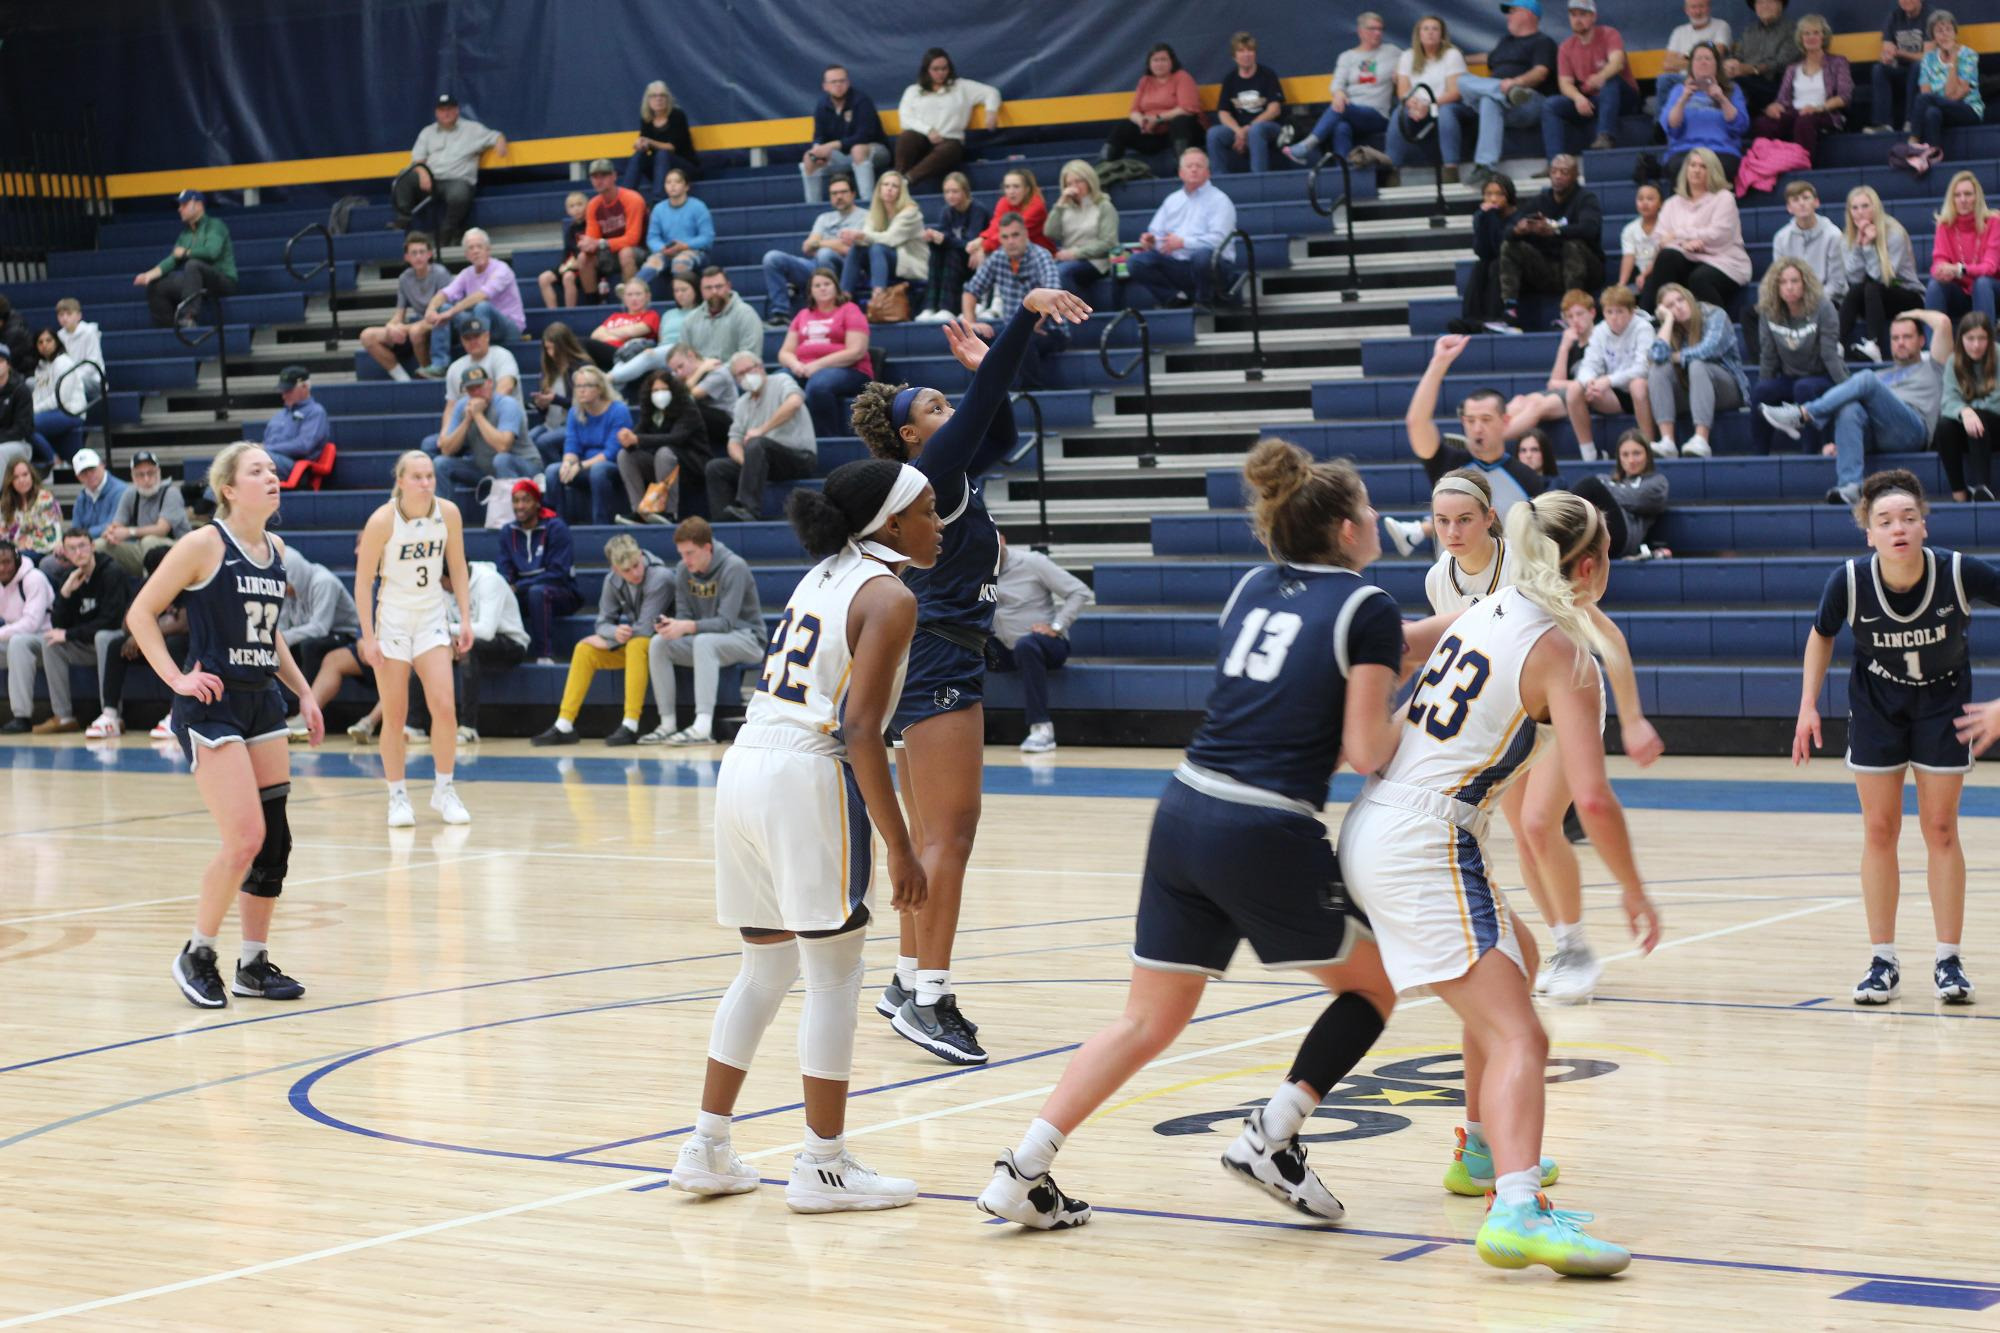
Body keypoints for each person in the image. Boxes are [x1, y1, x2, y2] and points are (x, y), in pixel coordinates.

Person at [979, 438, 1446, 1234]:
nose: (1378, 517)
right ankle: (1271, 1135)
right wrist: (1422, 710)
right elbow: (1367, 747)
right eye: (1367, 508)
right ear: (1344, 529)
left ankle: (1022, 1168)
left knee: (1147, 1019)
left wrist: (1479, 618)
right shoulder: (1365, 605)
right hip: (1261, 827)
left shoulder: (1253, 587)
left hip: (1184, 810)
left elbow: (1362, 662)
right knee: (1374, 985)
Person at [1344, 491, 1660, 1272]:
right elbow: (1593, 799)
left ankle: (1484, 1150)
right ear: (1590, 567)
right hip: (1426, 837)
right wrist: (1634, 889)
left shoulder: (1485, 609)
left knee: (1516, 960)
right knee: (1523, 1032)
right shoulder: (1566, 657)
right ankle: (1516, 1209)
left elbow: (1390, 642)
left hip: (1383, 817)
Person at [669, 459, 936, 1213]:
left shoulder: (821, 576)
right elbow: (861, 728)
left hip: (744, 765)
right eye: (927, 511)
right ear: (890, 524)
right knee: (835, 975)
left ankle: (707, 1146)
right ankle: (823, 1163)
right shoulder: (890, 595)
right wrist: (900, 844)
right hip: (806, 774)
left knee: (763, 970)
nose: (938, 525)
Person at [851, 284, 1093, 1065]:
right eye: (935, 405)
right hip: (939, 660)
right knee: (952, 835)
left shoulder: (945, 481)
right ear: (910, 435)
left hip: (927, 656)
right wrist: (1023, 317)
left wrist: (989, 367)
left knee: (931, 836)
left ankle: (904, 980)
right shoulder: (929, 475)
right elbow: (987, 404)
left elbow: (1004, 426)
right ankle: (931, 1000)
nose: (950, 408)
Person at [1420, 468, 1656, 1007]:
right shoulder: (1438, 580)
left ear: (1489, 519)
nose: (1453, 531)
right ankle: (1564, 945)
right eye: (1442, 521)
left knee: (1538, 823)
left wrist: (1634, 718)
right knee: (1525, 835)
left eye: (1464, 520)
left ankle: (1576, 950)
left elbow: (1607, 634)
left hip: (1563, 696)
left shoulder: (1524, 561)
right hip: (1508, 711)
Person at [120, 445, 319, 1005]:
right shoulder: (203, 545)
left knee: (273, 842)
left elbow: (268, 633)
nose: (272, 476)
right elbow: (140, 613)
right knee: (245, 837)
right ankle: (197, 952)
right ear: (229, 489)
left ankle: (253, 964)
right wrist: (176, 678)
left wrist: (304, 692)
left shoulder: (276, 549)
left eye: (273, 470)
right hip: (213, 704)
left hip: (262, 702)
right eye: (257, 471)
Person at [1795, 468, 1991, 1004]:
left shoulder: (1958, 571)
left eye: (1908, 517)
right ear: (1869, 534)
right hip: (1878, 704)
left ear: (1924, 525)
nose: (1898, 528)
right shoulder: (1849, 580)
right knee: (1880, 829)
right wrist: (1808, 704)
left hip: (1943, 702)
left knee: (1941, 828)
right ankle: (1882, 960)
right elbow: (1821, 634)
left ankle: (1948, 960)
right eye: (1885, 521)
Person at [352, 452, 474, 827]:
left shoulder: (448, 513)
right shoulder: (382, 520)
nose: (425, 483)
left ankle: (444, 790)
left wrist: (466, 619)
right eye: (417, 477)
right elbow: (363, 583)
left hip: (432, 616)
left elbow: (457, 567)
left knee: (445, 707)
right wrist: (368, 636)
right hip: (393, 620)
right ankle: (397, 796)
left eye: (430, 476)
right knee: (396, 714)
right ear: (401, 481)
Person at [1761, 309, 1954, 504]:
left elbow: (1943, 323)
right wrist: (1842, 442)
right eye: (1895, 338)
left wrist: (1911, 313)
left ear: (1921, 340)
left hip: (1913, 430)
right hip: (1878, 433)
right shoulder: (1881, 375)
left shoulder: (1935, 367)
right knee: (1849, 407)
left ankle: (1803, 413)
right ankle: (1850, 486)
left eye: (1907, 337)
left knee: (1865, 379)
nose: (1900, 342)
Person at [531, 533, 672, 746]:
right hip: (639, 646)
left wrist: (609, 640)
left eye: (636, 565)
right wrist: (613, 632)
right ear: (615, 569)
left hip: (667, 644)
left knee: (637, 644)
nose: (635, 573)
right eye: (627, 570)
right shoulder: (612, 580)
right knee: (584, 649)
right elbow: (602, 623)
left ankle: (631, 724)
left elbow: (645, 629)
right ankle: (564, 724)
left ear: (641, 555)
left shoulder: (661, 577)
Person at [640, 516, 765, 745]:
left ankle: (702, 727)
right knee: (658, 643)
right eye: (681, 554)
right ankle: (667, 724)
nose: (685, 560)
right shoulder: (683, 570)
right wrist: (672, 625)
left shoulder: (734, 566)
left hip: (748, 639)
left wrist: (687, 626)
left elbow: (726, 623)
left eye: (690, 553)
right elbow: (685, 617)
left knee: (704, 642)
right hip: (706, 639)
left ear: (707, 548)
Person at [1406, 335, 1558, 517]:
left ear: (1505, 421)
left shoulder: (1528, 478)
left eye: (1486, 419)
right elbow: (1417, 422)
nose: (1477, 428)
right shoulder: (1447, 464)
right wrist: (1439, 362)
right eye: (1471, 420)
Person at [5, 525, 129, 734]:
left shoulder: (112, 572)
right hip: (84, 643)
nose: (78, 552)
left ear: (92, 546)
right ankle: (63, 716)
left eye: (82, 546)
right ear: (65, 552)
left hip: (114, 642)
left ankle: (111, 715)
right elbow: (58, 625)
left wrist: (69, 634)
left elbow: (111, 621)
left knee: (103, 637)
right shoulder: (70, 577)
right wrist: (65, 593)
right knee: (51, 641)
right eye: (72, 548)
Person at [989, 534, 1092, 754]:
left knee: (1026, 646)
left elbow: (1079, 591)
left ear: (1003, 541)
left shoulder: (1033, 562)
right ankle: (957, 722)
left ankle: (1042, 729)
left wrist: (1057, 626)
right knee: (963, 645)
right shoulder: (975, 571)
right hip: (1004, 647)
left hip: (1045, 645)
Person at [1449, 0, 1557, 189]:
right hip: (1503, 99)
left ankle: (1484, 164)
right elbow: (1486, 58)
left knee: (1489, 98)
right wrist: (1457, 58)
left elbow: (1540, 72)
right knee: (1463, 82)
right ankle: (1485, 167)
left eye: (1512, 11)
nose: (1508, 16)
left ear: (1528, 14)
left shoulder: (1543, 42)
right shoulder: (1505, 42)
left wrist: (1517, 83)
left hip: (1528, 101)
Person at [1753, 256, 1848, 456]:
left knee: (1804, 387)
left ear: (1805, 283)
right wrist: (1765, 398)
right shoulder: (1769, 312)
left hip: (1822, 377)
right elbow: (1768, 357)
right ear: (1775, 286)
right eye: (1783, 282)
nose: (1789, 287)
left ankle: (1809, 454)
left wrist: (1846, 389)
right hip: (1790, 378)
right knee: (1762, 390)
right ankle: (1760, 456)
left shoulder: (1823, 307)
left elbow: (1829, 354)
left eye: (1795, 281)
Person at [1495, 155, 1603, 331]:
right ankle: (1510, 312)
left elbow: (1589, 229)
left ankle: (1570, 313)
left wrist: (1555, 230)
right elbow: (1508, 230)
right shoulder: (1541, 200)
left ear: (1575, 175)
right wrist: (1519, 230)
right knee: (1510, 245)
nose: (1558, 176)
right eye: (1554, 171)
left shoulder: (1586, 198)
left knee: (1572, 245)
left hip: (1586, 269)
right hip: (1550, 269)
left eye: (1564, 172)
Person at [1637, 149, 1749, 314]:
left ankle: (1717, 325)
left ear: (1712, 171)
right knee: (1666, 258)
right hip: (1687, 258)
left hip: (1722, 260)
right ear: (1686, 169)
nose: (1697, 170)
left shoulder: (1724, 198)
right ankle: (1657, 318)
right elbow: (1660, 239)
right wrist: (1684, 244)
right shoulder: (1672, 203)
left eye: (1703, 166)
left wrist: (1679, 235)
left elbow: (1718, 234)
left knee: (1699, 278)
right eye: (1693, 165)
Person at [1126, 148, 1239, 309]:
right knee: (1136, 262)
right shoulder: (1172, 200)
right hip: (1179, 265)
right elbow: (1158, 235)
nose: (1194, 169)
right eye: (1189, 166)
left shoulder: (1220, 200)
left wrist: (1183, 242)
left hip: (1213, 267)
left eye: (1199, 166)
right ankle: (1175, 299)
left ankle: (1204, 302)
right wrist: (1151, 241)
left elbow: (1219, 241)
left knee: (1202, 256)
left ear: (1208, 173)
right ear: (1180, 173)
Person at [709, 353, 814, 524]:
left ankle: (748, 509)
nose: (746, 376)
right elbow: (733, 442)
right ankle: (723, 521)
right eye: (740, 374)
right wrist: (749, 464)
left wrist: (762, 430)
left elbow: (795, 402)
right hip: (764, 461)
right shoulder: (741, 403)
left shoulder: (780, 380)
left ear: (760, 367)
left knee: (757, 443)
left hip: (798, 456)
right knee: (716, 467)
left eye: (748, 370)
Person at [1646, 282, 1748, 458]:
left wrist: (1676, 357)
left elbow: (1709, 349)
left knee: (1697, 364)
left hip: (1726, 389)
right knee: (1658, 369)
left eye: (1681, 300)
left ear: (1689, 298)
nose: (1678, 306)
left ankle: (1701, 439)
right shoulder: (1670, 327)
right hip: (1691, 392)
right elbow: (1656, 356)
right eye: (1670, 306)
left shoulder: (1714, 315)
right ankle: (1667, 441)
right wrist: (1668, 321)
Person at [1285, 14, 1402, 167]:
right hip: (1351, 112)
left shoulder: (1392, 52)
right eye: (1372, 29)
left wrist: (1400, 71)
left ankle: (1307, 145)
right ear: (1360, 31)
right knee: (1341, 127)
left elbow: (1412, 61)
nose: (1377, 33)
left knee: (1342, 109)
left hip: (1377, 115)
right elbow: (1337, 84)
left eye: (1380, 29)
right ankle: (1343, 172)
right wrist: (1339, 93)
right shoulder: (1347, 57)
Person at [963, 216, 1067, 387]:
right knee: (978, 338)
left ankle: (1032, 393)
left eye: (1015, 235)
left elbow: (1052, 297)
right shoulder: (997, 257)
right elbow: (970, 291)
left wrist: (1025, 328)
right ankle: (983, 393)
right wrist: (971, 323)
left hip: (1049, 329)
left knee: (1023, 339)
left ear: (1026, 234)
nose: (1010, 241)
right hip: (1013, 329)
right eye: (1005, 237)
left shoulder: (1041, 256)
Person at [390, 94, 505, 246]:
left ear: (457, 110)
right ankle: (403, 219)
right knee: (403, 178)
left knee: (459, 194)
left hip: (457, 180)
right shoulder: (427, 132)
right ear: (436, 113)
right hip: (431, 179)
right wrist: (423, 173)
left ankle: (448, 231)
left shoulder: (472, 129)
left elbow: (496, 136)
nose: (446, 113)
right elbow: (418, 159)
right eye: (442, 110)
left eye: (449, 109)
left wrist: (500, 143)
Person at [431, 363, 538, 519]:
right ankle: (444, 521)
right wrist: (467, 419)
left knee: (502, 459)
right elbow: (446, 449)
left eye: (479, 387)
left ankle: (510, 520)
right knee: (441, 463)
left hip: (524, 466)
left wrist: (478, 416)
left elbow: (503, 446)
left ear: (490, 384)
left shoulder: (507, 404)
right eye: (471, 389)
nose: (476, 393)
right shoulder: (462, 407)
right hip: (485, 469)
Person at [760, 176, 863, 328]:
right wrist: (833, 244)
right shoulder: (824, 218)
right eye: (834, 193)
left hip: (847, 269)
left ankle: (831, 309)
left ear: (853, 194)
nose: (839, 197)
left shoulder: (865, 217)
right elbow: (807, 247)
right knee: (772, 258)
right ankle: (781, 313)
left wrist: (821, 244)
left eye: (843, 192)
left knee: (825, 253)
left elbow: (850, 250)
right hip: (817, 265)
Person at [781, 269, 873, 438]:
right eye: (817, 285)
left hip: (850, 369)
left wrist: (817, 365)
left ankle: (828, 440)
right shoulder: (803, 315)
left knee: (818, 386)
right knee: (778, 381)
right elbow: (785, 352)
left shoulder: (850, 309)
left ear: (836, 287)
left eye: (827, 284)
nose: (822, 288)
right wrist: (795, 364)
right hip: (805, 368)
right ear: (810, 291)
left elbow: (856, 351)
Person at [1568, 285, 1658, 456]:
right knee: (1574, 389)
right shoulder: (1600, 330)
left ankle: (1649, 448)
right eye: (1609, 312)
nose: (1614, 317)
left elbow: (1643, 368)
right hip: (1614, 395)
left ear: (1631, 311)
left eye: (1619, 312)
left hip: (1643, 394)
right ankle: (1589, 453)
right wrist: (1590, 383)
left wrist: (1608, 380)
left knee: (1638, 385)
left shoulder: (1643, 328)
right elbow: (1588, 365)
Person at [495, 479, 579, 662]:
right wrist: (506, 585)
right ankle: (505, 656)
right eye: (516, 501)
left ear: (537, 502)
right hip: (525, 593)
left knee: (537, 592)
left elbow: (558, 573)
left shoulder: (556, 528)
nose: (520, 506)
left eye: (526, 500)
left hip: (561, 592)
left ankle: (544, 655)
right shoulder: (508, 532)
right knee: (497, 592)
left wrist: (519, 586)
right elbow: (504, 567)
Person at [895, 49, 1002, 191]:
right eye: (935, 69)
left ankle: (906, 181)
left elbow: (991, 92)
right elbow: (905, 118)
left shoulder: (961, 87)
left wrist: (991, 111)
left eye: (944, 68)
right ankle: (896, 178)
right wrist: (928, 130)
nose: (940, 73)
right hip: (922, 139)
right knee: (906, 137)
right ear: (926, 70)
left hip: (950, 142)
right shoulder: (913, 90)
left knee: (950, 149)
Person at [1749, 12, 1850, 162]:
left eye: (1816, 33)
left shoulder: (1838, 62)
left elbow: (1844, 97)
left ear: (1823, 37)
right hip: (1794, 112)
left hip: (1824, 112)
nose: (1811, 37)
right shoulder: (1792, 68)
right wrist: (1774, 107)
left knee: (1804, 121)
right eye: (1806, 33)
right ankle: (1768, 163)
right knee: (1763, 123)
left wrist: (1818, 108)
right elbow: (1782, 99)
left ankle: (1802, 164)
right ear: (1801, 38)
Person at [616, 368, 712, 524]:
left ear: (673, 390)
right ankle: (640, 512)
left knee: (665, 453)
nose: (659, 394)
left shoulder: (688, 408)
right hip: (661, 465)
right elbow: (638, 434)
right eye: (655, 390)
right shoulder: (651, 410)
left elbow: (676, 438)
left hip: (691, 466)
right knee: (625, 455)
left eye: (664, 389)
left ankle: (669, 512)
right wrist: (627, 438)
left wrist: (637, 439)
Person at [1840, 184, 1924, 362]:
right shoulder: (1848, 236)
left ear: (1875, 207)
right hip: (1873, 300)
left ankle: (1874, 345)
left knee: (1871, 287)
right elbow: (1854, 278)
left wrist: (1868, 247)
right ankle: (1837, 343)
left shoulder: (1894, 233)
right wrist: (1859, 246)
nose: (1860, 212)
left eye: (1865, 206)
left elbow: (1882, 278)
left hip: (1906, 295)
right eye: (1855, 208)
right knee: (1856, 291)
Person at [1542, 0, 1635, 159]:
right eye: (1573, 15)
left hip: (1623, 98)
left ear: (1593, 16)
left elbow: (1618, 63)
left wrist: (1600, 76)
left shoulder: (1609, 34)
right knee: (1551, 105)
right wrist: (1578, 98)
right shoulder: (1566, 47)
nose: (1577, 19)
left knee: (1610, 81)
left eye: (1582, 15)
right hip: (1592, 100)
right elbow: (1565, 83)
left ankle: (1605, 136)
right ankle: (1555, 161)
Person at [132, 189, 236, 330]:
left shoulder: (215, 225)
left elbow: (212, 253)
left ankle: (189, 317)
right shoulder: (185, 235)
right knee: (156, 286)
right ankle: (170, 329)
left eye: (184, 205)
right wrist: (149, 275)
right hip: (197, 283)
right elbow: (172, 260)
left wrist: (186, 253)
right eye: (180, 205)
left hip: (223, 281)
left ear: (198, 205)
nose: (180, 209)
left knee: (193, 265)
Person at [544, 366, 631, 527]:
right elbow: (572, 444)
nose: (581, 390)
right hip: (584, 465)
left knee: (598, 470)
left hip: (612, 466)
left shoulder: (619, 410)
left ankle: (601, 525)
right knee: (552, 471)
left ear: (600, 389)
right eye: (578, 386)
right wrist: (567, 463)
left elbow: (612, 452)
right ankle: (558, 525)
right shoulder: (575, 412)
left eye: (587, 386)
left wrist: (580, 465)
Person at [1501, 290, 1594, 439]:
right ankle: (1486, 435)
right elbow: (1553, 383)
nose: (1575, 320)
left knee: (1536, 406)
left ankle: (1491, 442)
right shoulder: (1571, 343)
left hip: (1583, 397)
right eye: (1570, 316)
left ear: (1592, 313)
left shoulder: (1599, 340)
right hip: (1565, 392)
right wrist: (1564, 347)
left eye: (1579, 314)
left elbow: (1589, 384)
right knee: (1519, 400)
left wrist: (1558, 384)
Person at [1385, 14, 1468, 184]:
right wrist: (1413, 104)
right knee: (1399, 113)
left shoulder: (1452, 54)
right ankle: (1391, 171)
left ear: (1442, 34)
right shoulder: (1407, 56)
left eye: (1435, 29)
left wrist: (1428, 105)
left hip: (1446, 104)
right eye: (1426, 29)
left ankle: (1451, 170)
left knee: (1446, 113)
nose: (1430, 32)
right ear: (1419, 34)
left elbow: (1455, 92)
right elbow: (1403, 92)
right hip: (1418, 107)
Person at [362, 232, 453, 382]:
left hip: (441, 323)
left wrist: (407, 327)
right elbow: (399, 314)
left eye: (422, 252)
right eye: (414, 253)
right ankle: (403, 379)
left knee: (416, 331)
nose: (418, 257)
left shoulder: (441, 273)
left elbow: (445, 311)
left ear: (429, 254)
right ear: (407, 257)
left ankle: (429, 377)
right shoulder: (404, 278)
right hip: (417, 324)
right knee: (367, 336)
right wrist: (391, 326)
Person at [1659, 43, 1748, 186]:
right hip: (1685, 151)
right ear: (1691, 65)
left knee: (1723, 167)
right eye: (1698, 58)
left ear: (1717, 65)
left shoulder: (1732, 89)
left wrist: (1722, 99)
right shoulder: (1678, 90)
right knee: (1678, 167)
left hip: (1721, 151)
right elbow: (1671, 127)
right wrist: (1683, 99)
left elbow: (1740, 126)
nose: (1703, 62)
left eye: (1708, 58)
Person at [801, 64, 889, 204]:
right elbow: (819, 136)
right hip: (842, 155)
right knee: (809, 157)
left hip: (875, 151)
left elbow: (864, 136)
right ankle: (813, 206)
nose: (838, 85)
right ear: (825, 86)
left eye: (842, 81)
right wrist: (818, 149)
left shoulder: (861, 101)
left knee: (858, 149)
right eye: (833, 82)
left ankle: (868, 203)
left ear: (848, 82)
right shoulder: (822, 105)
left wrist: (833, 145)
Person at [1936, 313, 2000, 501]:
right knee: (1944, 426)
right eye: (1970, 338)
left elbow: (1997, 402)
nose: (1976, 345)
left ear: (1990, 339)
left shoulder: (1998, 355)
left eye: (1982, 338)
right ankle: (1959, 493)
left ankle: (1982, 488)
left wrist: (1971, 410)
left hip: (1996, 428)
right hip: (1969, 429)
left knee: (1977, 416)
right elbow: (1948, 401)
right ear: (1961, 339)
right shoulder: (1953, 361)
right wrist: (1964, 411)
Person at [1103, 43, 1203, 163]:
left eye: (1163, 60)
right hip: (1152, 134)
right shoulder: (1145, 81)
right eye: (1155, 60)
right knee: (1124, 126)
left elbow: (1188, 108)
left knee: (1180, 121)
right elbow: (1134, 111)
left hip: (1182, 133)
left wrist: (1157, 119)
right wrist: (1142, 122)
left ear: (1172, 62)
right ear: (1149, 64)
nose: (1159, 64)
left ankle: (1183, 165)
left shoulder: (1182, 77)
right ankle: (1105, 165)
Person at [427, 229, 525, 350]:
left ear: (488, 250)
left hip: (508, 327)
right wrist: (431, 310)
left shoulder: (502, 269)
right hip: (478, 322)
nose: (476, 251)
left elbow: (483, 295)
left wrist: (451, 312)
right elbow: (445, 293)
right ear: (466, 254)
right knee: (444, 308)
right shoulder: (466, 273)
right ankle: (439, 360)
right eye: (471, 248)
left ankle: (480, 353)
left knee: (483, 306)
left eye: (479, 246)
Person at [1925, 171, 2000, 326]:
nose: (1963, 200)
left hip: (1991, 291)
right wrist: (1941, 271)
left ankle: (1985, 339)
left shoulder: (1994, 222)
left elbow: (1990, 268)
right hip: (1960, 293)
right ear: (1951, 199)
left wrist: (1959, 269)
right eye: (1957, 195)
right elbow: (1938, 262)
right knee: (1935, 285)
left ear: (1977, 197)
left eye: (1968, 194)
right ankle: (1934, 341)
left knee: (1982, 284)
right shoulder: (1944, 226)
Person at [1207, 31, 1286, 174]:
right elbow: (1223, 113)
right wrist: (1239, 131)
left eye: (1250, 50)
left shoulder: (1267, 75)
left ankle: (1259, 179)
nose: (1246, 54)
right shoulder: (1230, 79)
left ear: (1255, 53)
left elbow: (1274, 110)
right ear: (1234, 56)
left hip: (1268, 127)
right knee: (1214, 134)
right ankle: (1220, 181)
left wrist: (1248, 128)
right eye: (1241, 51)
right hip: (1239, 129)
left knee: (1256, 131)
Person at [914, 173, 990, 324]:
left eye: (955, 191)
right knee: (936, 250)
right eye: (947, 192)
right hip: (958, 256)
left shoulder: (978, 210)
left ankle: (948, 307)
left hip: (975, 260)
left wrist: (944, 239)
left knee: (951, 252)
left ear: (965, 191)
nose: (950, 196)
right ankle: (930, 306)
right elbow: (945, 237)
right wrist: (933, 237)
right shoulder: (947, 211)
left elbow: (970, 244)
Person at [99, 450, 188, 578]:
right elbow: (116, 525)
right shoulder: (130, 494)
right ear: (133, 477)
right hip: (142, 550)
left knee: (149, 542)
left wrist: (129, 532)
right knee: (100, 545)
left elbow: (161, 529)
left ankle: (149, 585)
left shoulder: (171, 492)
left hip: (179, 548)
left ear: (158, 472)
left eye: (150, 473)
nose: (146, 479)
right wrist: (110, 533)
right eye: (140, 475)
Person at [843, 170, 925, 308]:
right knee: (857, 247)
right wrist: (856, 238)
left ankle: (878, 297)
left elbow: (890, 239)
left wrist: (862, 236)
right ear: (879, 189)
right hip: (884, 261)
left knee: (878, 248)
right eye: (886, 184)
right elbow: (866, 235)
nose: (889, 188)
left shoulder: (911, 212)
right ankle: (844, 297)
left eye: (895, 186)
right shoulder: (875, 212)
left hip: (910, 263)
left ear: (901, 191)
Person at [612, 272, 702, 394]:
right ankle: (612, 385)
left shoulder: (702, 312)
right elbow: (661, 340)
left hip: (683, 349)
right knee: (635, 355)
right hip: (663, 353)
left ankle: (607, 379)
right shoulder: (668, 314)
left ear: (695, 289)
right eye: (676, 291)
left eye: (684, 290)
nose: (680, 294)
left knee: (648, 357)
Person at [1910, 12, 1982, 159]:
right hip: (1942, 110)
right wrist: (1938, 100)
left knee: (1925, 100)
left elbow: (1954, 94)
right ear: (1933, 36)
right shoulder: (1928, 59)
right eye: (1939, 31)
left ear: (1955, 32)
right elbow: (1925, 91)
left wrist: (1953, 60)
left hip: (1967, 109)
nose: (1945, 34)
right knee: (1931, 112)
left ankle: (1913, 140)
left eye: (1948, 29)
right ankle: (1935, 156)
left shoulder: (1969, 55)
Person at [1046, 161, 1118, 299]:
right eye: (1069, 184)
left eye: (1079, 181)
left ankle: (1080, 310)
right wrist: (1060, 204)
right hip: (1068, 260)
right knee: (1046, 272)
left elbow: (1109, 242)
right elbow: (1050, 232)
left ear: (1089, 181)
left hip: (1096, 261)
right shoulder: (1065, 208)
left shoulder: (1104, 206)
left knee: (1061, 272)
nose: (1074, 187)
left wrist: (1076, 253)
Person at [1772, 180, 1848, 309]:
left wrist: (1808, 301)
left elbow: (1837, 284)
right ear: (1789, 208)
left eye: (1806, 198)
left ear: (1816, 202)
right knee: (1752, 313)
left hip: (1828, 300)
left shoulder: (1833, 235)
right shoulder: (1781, 238)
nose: (1801, 203)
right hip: (1793, 300)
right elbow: (1781, 278)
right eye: (1796, 200)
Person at [576, 159, 650, 290]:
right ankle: (592, 299)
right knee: (583, 258)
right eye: (595, 177)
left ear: (614, 176)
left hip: (640, 250)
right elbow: (593, 240)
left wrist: (600, 243)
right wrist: (586, 244)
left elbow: (633, 239)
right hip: (610, 252)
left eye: (603, 176)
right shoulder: (593, 205)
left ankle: (630, 295)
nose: (599, 181)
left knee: (625, 253)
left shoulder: (632, 199)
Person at [637, 168, 714, 292]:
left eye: (677, 182)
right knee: (652, 262)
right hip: (667, 251)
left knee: (680, 262)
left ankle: (681, 297)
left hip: (695, 251)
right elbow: (652, 238)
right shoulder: (658, 209)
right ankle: (632, 288)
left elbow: (707, 237)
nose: (672, 185)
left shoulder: (699, 207)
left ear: (686, 186)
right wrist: (662, 248)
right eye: (668, 182)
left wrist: (685, 245)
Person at [1460, 175, 1519, 332]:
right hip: (1492, 261)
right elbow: (1481, 250)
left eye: (1499, 194)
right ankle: (1470, 320)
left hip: (1515, 267)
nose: (1493, 199)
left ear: (1509, 195)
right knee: (1481, 266)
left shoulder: (1518, 217)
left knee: (1496, 265)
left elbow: (1499, 246)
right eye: (1488, 194)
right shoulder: (1482, 215)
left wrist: (1491, 216)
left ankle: (1494, 318)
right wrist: (1483, 218)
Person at [1868, 0, 1934, 135]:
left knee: (1917, 66)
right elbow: (1887, 46)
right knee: (1879, 69)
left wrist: (1899, 53)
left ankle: (1911, 121)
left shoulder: (1930, 16)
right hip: (1901, 68)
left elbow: (1927, 57)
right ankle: (1883, 124)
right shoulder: (1894, 17)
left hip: (1926, 72)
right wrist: (1887, 56)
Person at [625, 81, 700, 199]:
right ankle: (626, 197)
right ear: (648, 100)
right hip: (659, 169)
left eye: (662, 95)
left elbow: (671, 147)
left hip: (683, 167)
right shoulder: (647, 119)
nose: (658, 99)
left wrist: (649, 141)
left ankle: (658, 199)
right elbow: (646, 143)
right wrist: (641, 144)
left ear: (668, 98)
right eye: (654, 96)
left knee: (663, 154)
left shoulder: (677, 115)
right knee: (639, 155)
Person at [27, 327, 90, 465]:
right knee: (23, 422)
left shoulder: (63, 362)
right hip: (52, 412)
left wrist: (35, 410)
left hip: (70, 411)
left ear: (56, 342)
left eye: (48, 340)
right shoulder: (40, 367)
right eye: (40, 342)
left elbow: (61, 399)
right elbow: (38, 395)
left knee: (28, 425)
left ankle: (54, 460)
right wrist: (30, 409)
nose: (44, 345)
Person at [528, 323, 592, 457]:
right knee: (528, 440)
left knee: (543, 441)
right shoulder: (548, 370)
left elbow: (585, 403)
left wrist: (556, 399)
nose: (551, 353)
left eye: (554, 349)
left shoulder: (582, 367)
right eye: (548, 349)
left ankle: (559, 469)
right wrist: (541, 405)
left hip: (575, 425)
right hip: (550, 424)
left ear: (564, 346)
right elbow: (544, 412)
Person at [1605, 429, 1672, 554]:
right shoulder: (1607, 480)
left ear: (1648, 455)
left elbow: (1636, 499)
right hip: (1601, 533)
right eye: (1625, 455)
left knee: (1591, 485)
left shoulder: (1657, 482)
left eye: (1636, 453)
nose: (1631, 460)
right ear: (1619, 458)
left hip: (1627, 536)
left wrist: (1606, 493)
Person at [1655, 0, 1735, 104]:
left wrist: (1684, 58)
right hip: (1683, 79)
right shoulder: (1679, 31)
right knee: (1664, 79)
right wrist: (1702, 60)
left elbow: (1716, 55)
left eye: (1701, 6)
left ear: (1708, 8)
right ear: (1686, 10)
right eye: (1693, 7)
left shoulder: (1721, 26)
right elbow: (1667, 64)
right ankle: (1663, 115)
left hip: (1712, 78)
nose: (1697, 11)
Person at [970, 169, 1052, 270]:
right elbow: (995, 226)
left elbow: (1011, 233)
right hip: (1012, 251)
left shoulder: (1036, 206)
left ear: (1027, 189)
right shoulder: (1004, 202)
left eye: (1016, 187)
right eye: (1007, 187)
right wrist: (981, 239)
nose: (1011, 192)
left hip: (1037, 256)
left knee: (987, 256)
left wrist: (983, 246)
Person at [680, 268, 764, 366]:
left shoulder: (746, 315)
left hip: (736, 374)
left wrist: (715, 369)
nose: (714, 292)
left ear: (728, 287)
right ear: (701, 291)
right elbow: (685, 358)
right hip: (701, 373)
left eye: (719, 286)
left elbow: (750, 358)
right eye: (708, 288)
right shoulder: (690, 320)